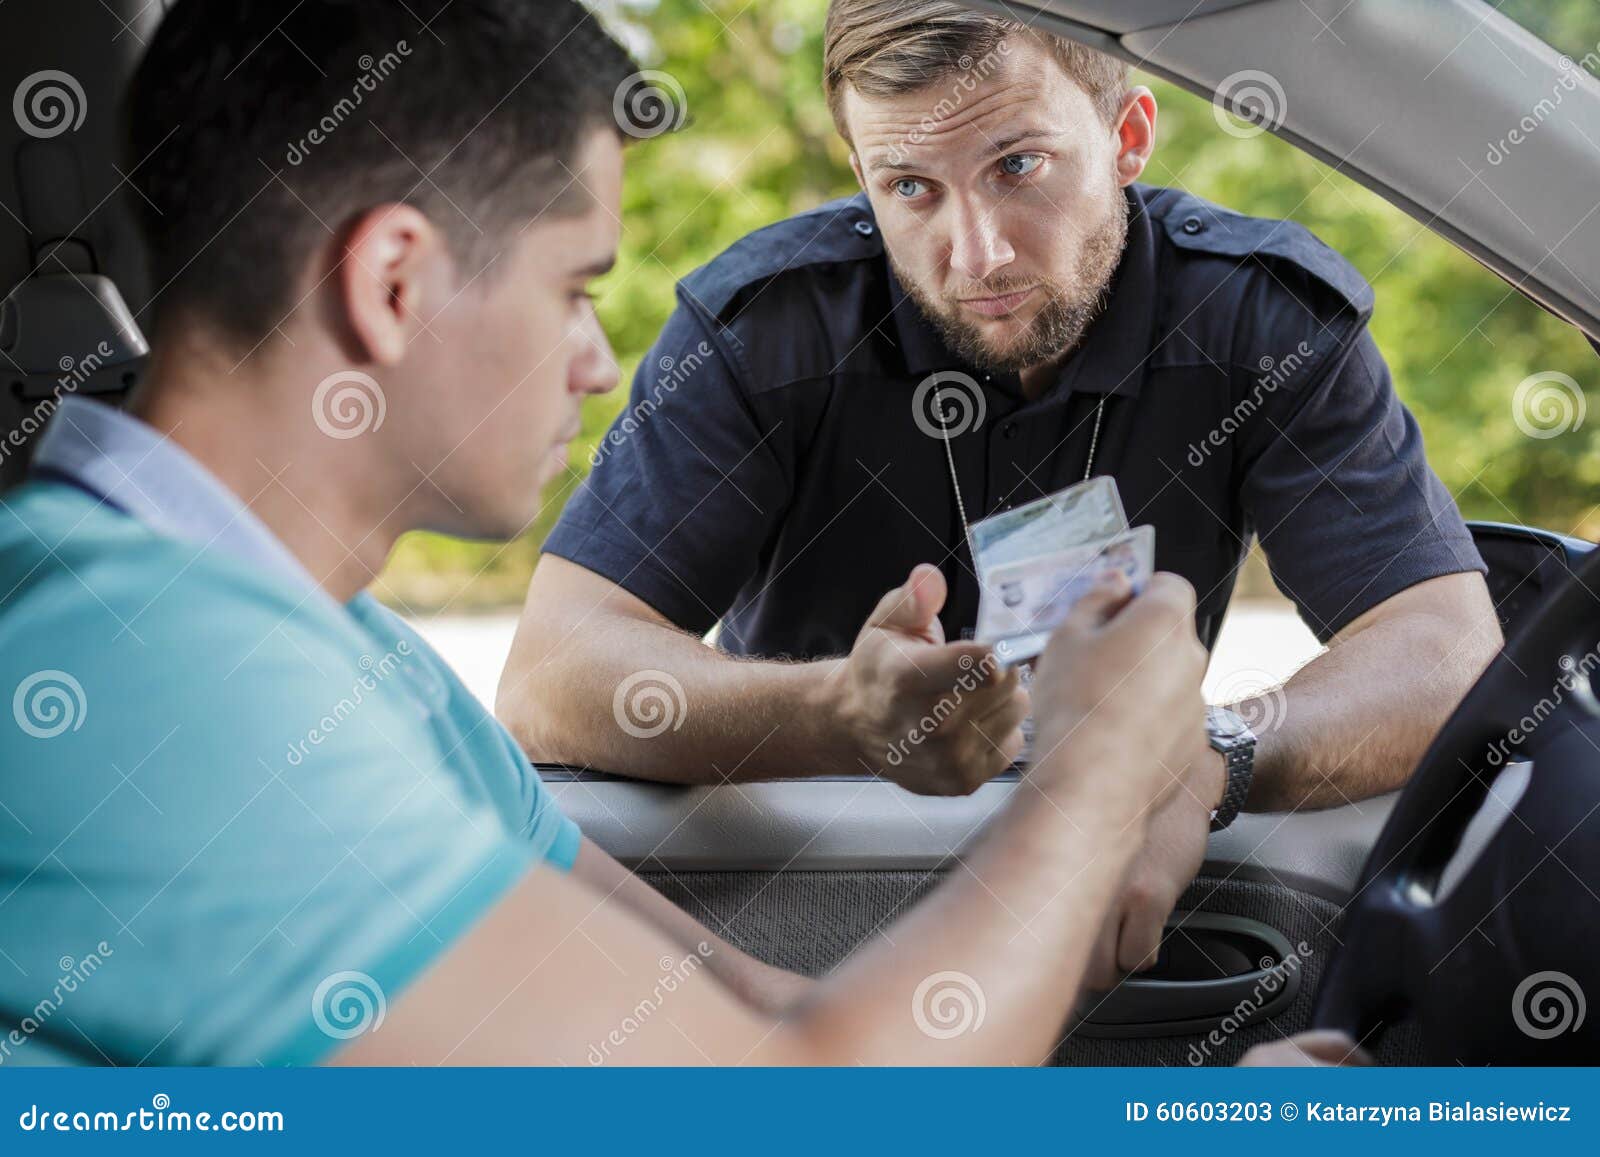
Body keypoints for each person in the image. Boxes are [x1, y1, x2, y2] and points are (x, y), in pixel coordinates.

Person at [0, 0, 1355, 1068]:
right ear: (394, 282)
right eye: (574, 287)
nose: (595, 363)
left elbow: (750, 1021)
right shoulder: (149, 676)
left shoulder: (348, 654)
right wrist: (1104, 770)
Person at [499, 0, 1503, 977]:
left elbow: (1446, 649)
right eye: (910, 187)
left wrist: (1204, 755)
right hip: (806, 922)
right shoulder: (766, 331)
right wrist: (841, 713)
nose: (977, 253)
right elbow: (554, 673)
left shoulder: (1258, 322)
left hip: (1118, 926)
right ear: (859, 177)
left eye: (1016, 166)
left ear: (1128, 135)